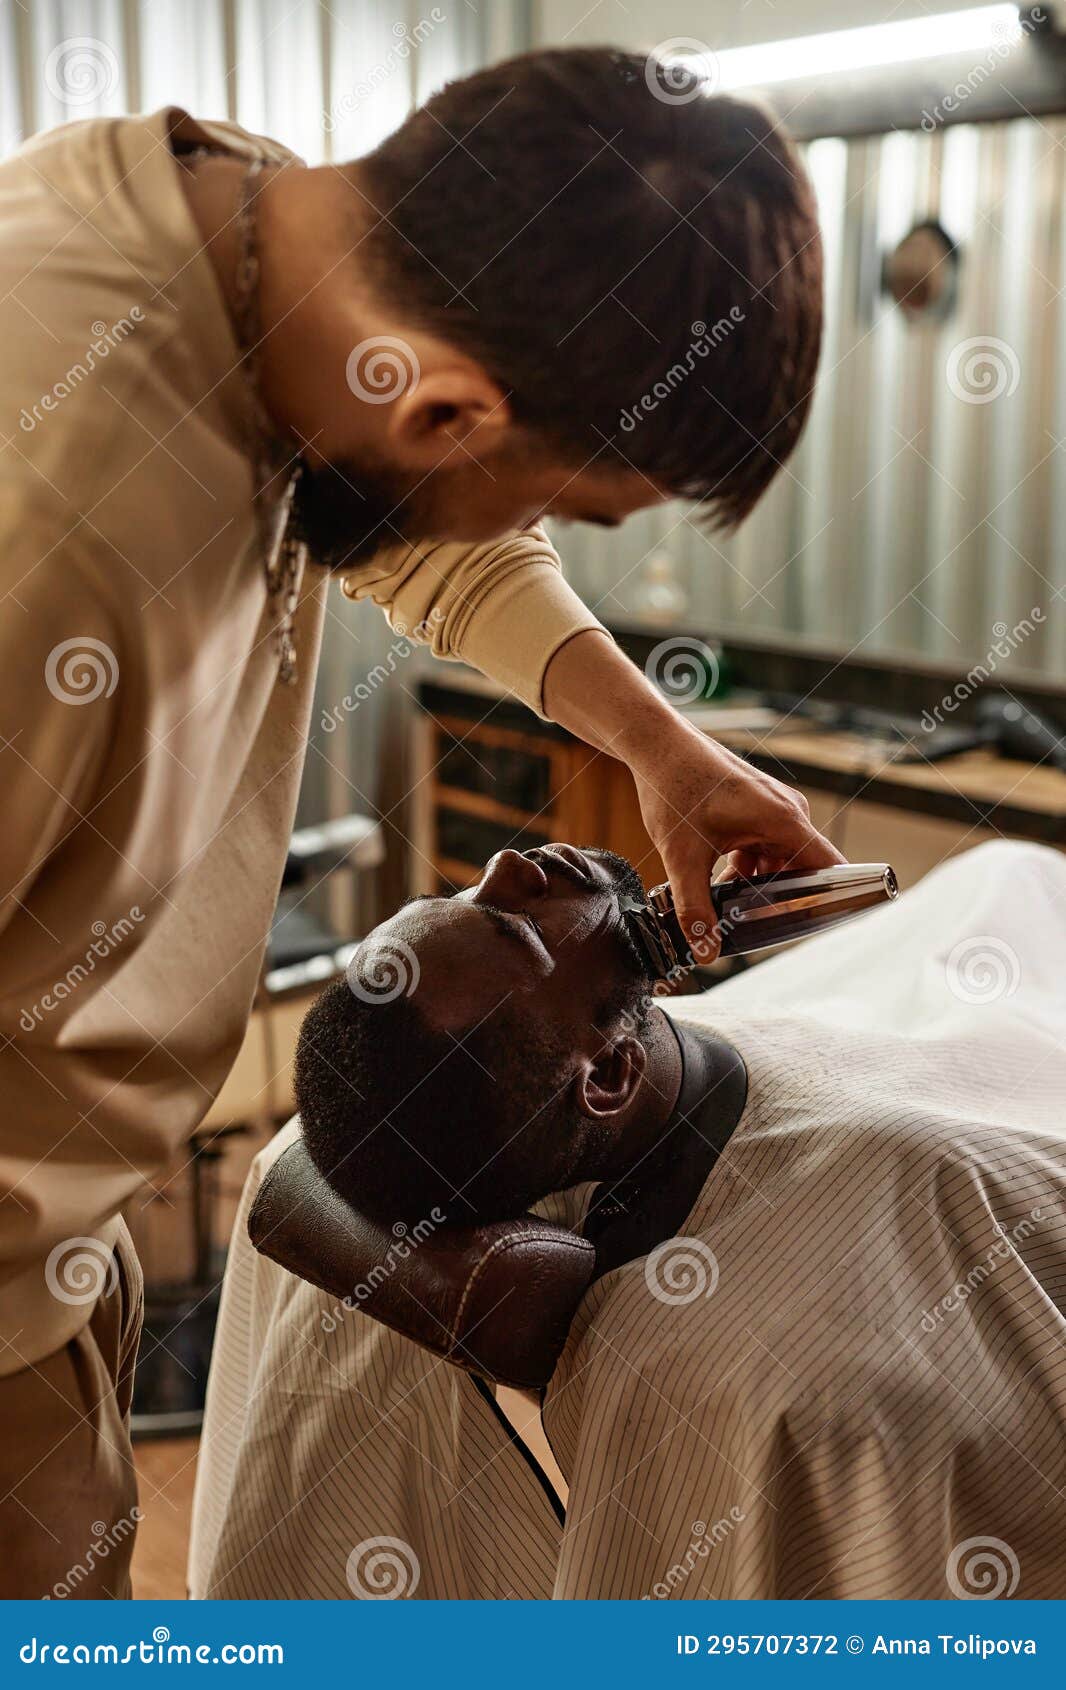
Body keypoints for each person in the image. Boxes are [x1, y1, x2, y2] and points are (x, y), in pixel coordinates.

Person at [0, 46, 840, 1592]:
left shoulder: (272, 241)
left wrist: (655, 743)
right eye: (565, 507)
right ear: (451, 410)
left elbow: (421, 540)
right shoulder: (52, 505)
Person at [192, 838, 1066, 1600]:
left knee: (1005, 875)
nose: (504, 866)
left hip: (969, 956)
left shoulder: (499, 1104)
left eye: (451, 899)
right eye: (519, 931)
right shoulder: (906, 1221)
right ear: (609, 1075)